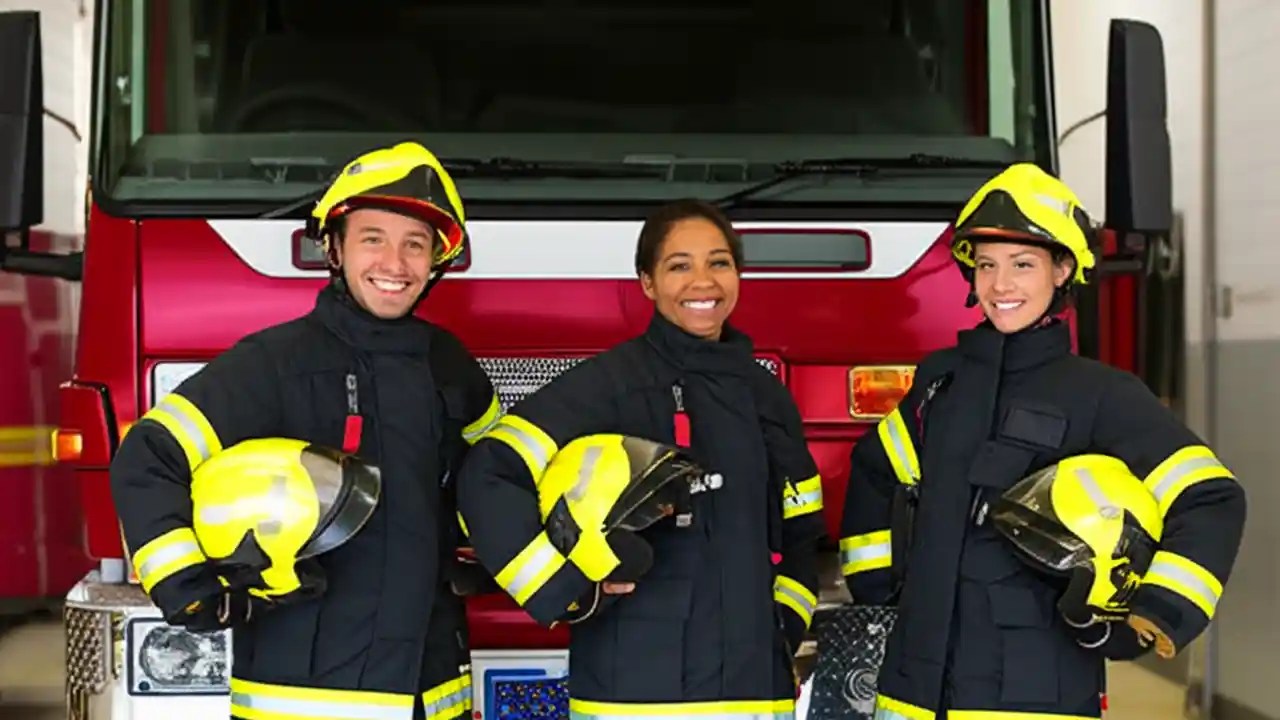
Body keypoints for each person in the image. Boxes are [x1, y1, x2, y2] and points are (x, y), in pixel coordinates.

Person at [837, 163, 1247, 719]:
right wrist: (882, 590)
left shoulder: (1103, 396)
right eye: (986, 266)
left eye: (1022, 265)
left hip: (1034, 695)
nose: (1000, 286)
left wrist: (1153, 614)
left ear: (1062, 271)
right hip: (909, 694)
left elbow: (1211, 498)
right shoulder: (940, 383)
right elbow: (875, 471)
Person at [109, 141, 500, 720]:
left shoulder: (451, 368)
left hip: (432, 692)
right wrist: (183, 581)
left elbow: (498, 479)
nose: (395, 264)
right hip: (304, 697)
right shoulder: (273, 364)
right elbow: (148, 454)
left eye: (414, 245)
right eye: (373, 239)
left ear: (434, 261)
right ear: (334, 248)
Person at [456, 198, 826, 718]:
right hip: (630, 697)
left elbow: (801, 530)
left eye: (718, 262)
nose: (704, 282)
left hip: (755, 694)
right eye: (680, 266)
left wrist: (782, 625)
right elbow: (489, 475)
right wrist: (559, 589)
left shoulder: (766, 397)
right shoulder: (607, 389)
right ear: (647, 282)